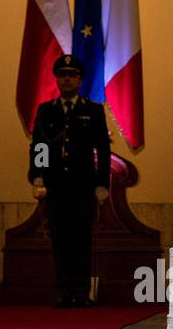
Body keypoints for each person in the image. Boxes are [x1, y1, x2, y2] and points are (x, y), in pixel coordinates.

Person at [28, 55, 112, 307]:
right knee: (60, 239)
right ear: (57, 78)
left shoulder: (93, 110)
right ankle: (63, 292)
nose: (67, 79)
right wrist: (39, 176)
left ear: (79, 79)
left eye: (72, 75)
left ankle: (81, 292)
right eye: (62, 74)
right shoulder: (46, 110)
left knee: (81, 239)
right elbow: (40, 146)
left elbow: (103, 149)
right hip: (56, 186)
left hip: (83, 186)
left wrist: (101, 183)